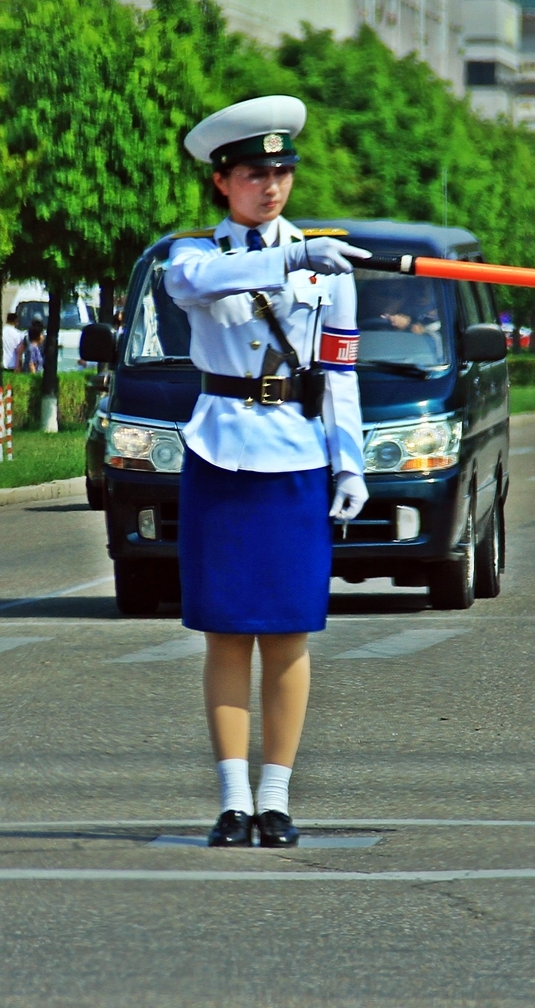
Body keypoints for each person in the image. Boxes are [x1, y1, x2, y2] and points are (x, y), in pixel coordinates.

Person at [165, 95, 370, 850]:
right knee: (225, 634)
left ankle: (277, 799)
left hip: (297, 453)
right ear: (222, 181)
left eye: (282, 172)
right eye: (255, 174)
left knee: (288, 635)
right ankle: (231, 799)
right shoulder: (192, 255)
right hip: (219, 450)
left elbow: (341, 374)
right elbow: (193, 288)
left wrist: (350, 462)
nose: (272, 187)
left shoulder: (330, 266)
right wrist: (290, 255)